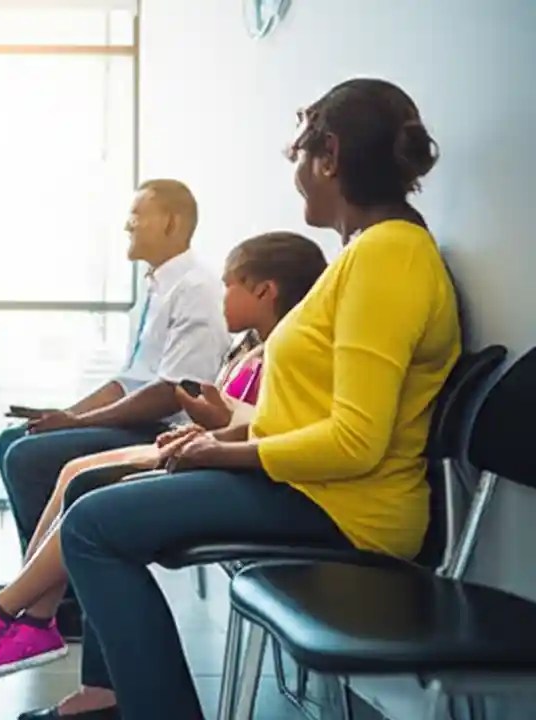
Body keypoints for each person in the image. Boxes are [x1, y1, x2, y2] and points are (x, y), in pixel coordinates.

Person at [33, 78, 461, 720]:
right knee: (93, 497)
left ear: (329, 156)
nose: (296, 174)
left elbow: (355, 441)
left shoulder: (388, 258)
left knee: (94, 527)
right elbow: (322, 413)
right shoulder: (372, 253)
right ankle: (107, 697)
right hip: (315, 488)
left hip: (346, 508)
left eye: (298, 154)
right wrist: (224, 436)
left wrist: (219, 454)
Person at [0, 232, 328, 681]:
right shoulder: (247, 348)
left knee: (83, 483)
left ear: (264, 291)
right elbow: (241, 416)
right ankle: (32, 611)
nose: (222, 295)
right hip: (210, 446)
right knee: (73, 470)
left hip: (228, 462)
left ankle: (22, 611)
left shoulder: (283, 346)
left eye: (230, 285)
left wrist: (212, 429)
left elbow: (267, 425)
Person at [0, 179, 230, 636]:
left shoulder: (196, 289)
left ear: (171, 222)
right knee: (17, 440)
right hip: (140, 419)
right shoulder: (157, 287)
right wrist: (62, 417)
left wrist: (77, 423)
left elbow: (172, 392)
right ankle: (43, 587)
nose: (127, 225)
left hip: (165, 434)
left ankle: (62, 603)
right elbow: (129, 380)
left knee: (28, 457)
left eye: (137, 214)